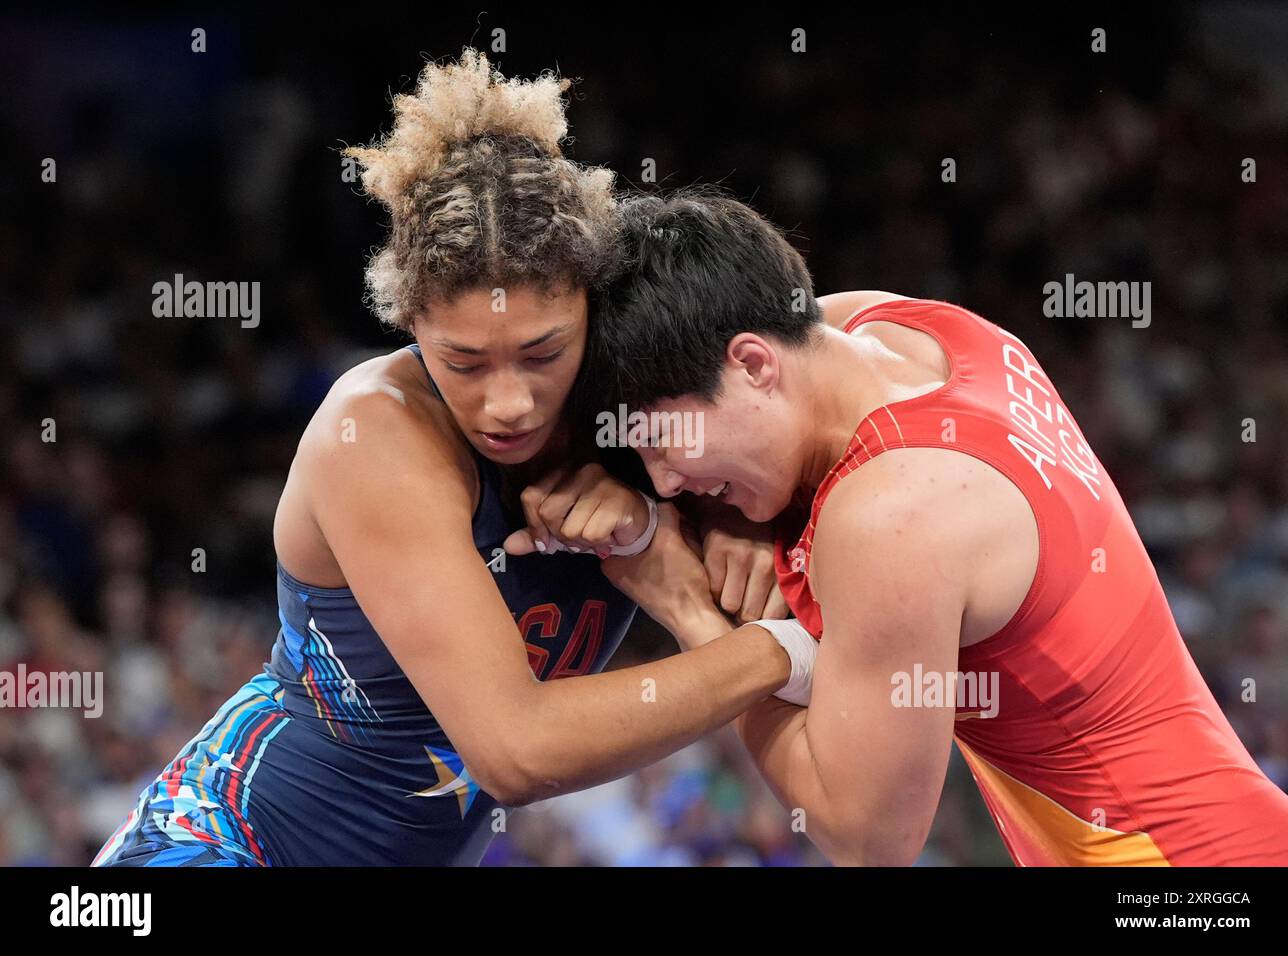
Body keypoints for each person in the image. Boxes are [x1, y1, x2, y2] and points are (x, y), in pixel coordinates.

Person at [92, 53, 806, 868]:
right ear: (410, 323)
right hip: (227, 844)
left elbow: (832, 342)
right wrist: (777, 654)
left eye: (543, 353)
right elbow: (518, 752)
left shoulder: (645, 399)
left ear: (594, 307)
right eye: (463, 362)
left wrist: (738, 509)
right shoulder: (375, 435)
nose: (509, 403)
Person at [587, 188, 1288, 865]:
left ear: (752, 363)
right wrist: (727, 518)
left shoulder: (891, 518)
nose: (664, 481)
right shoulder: (909, 328)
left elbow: (867, 841)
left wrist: (687, 606)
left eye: (661, 441)